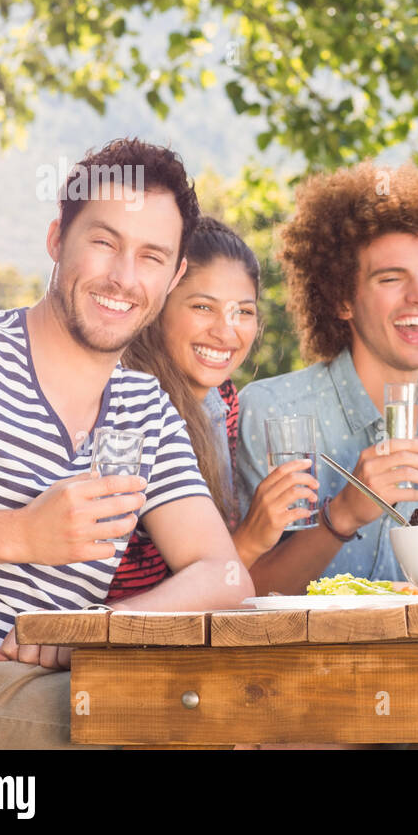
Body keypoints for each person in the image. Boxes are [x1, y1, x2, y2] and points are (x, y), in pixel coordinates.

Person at [0, 138, 253, 748]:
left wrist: (99, 628)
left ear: (175, 275)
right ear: (57, 239)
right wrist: (16, 534)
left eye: (152, 256)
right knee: (152, 727)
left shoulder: (145, 408)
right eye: (104, 242)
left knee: (226, 710)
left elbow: (225, 577)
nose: (124, 278)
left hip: (36, 684)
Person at [235, 162, 418, 594]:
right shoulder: (271, 412)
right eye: (391, 278)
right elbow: (241, 592)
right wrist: (343, 514)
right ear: (342, 300)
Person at [106, 217, 321, 601]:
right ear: (159, 306)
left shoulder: (223, 401)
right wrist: (251, 539)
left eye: (243, 311)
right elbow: (131, 599)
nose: (227, 331)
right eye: (204, 306)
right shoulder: (126, 413)